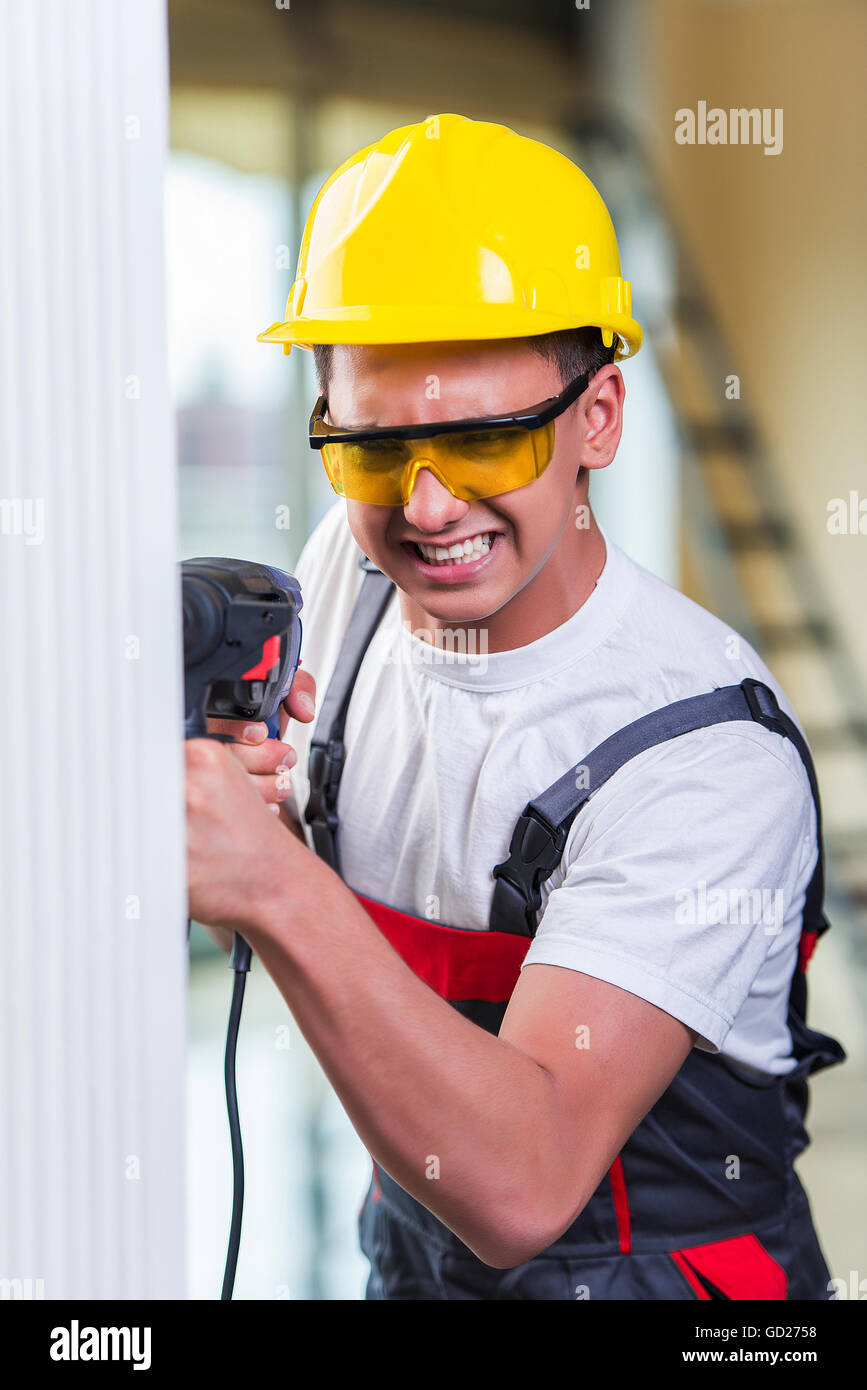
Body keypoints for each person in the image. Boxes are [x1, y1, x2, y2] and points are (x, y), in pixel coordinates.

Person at [185, 113, 845, 1300]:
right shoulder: (355, 566)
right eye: (375, 448)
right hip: (412, 1253)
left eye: (484, 438)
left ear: (597, 416)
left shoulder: (703, 753)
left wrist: (271, 882)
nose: (428, 506)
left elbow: (522, 1185)